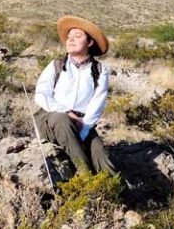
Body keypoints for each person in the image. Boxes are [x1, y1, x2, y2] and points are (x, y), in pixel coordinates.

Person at [33, 16, 117, 176]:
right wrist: (66, 112)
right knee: (62, 120)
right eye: (69, 37)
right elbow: (41, 95)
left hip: (82, 123)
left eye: (77, 36)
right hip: (51, 118)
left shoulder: (100, 70)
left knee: (101, 154)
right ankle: (85, 176)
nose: (70, 40)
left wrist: (83, 131)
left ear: (90, 42)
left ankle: (113, 192)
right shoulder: (56, 65)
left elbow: (96, 105)